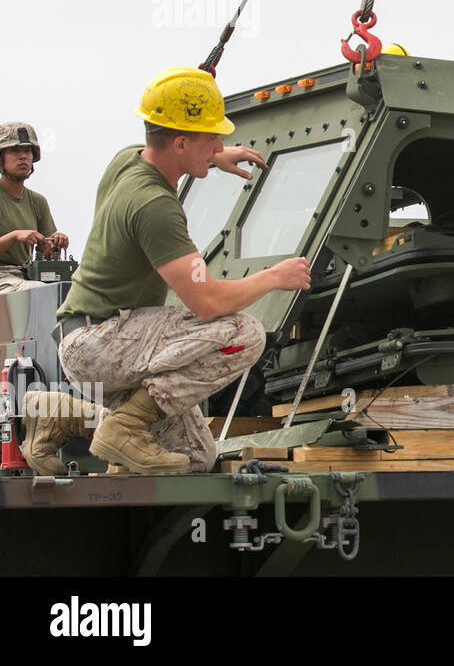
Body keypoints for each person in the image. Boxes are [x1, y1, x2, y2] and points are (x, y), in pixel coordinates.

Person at [55, 67, 312, 475]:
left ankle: (117, 454)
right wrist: (274, 277)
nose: (220, 143)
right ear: (180, 143)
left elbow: (165, 143)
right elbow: (206, 302)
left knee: (196, 460)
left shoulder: (127, 161)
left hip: (96, 343)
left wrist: (213, 156)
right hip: (99, 344)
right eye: (212, 137)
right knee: (243, 332)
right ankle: (126, 425)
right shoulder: (154, 206)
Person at [0, 122, 68, 294]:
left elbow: (46, 254)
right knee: (38, 291)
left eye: (27, 150)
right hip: (4, 277)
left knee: (78, 289)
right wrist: (15, 236)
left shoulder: (37, 201)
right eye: (15, 150)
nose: (23, 156)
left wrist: (54, 243)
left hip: (29, 274)